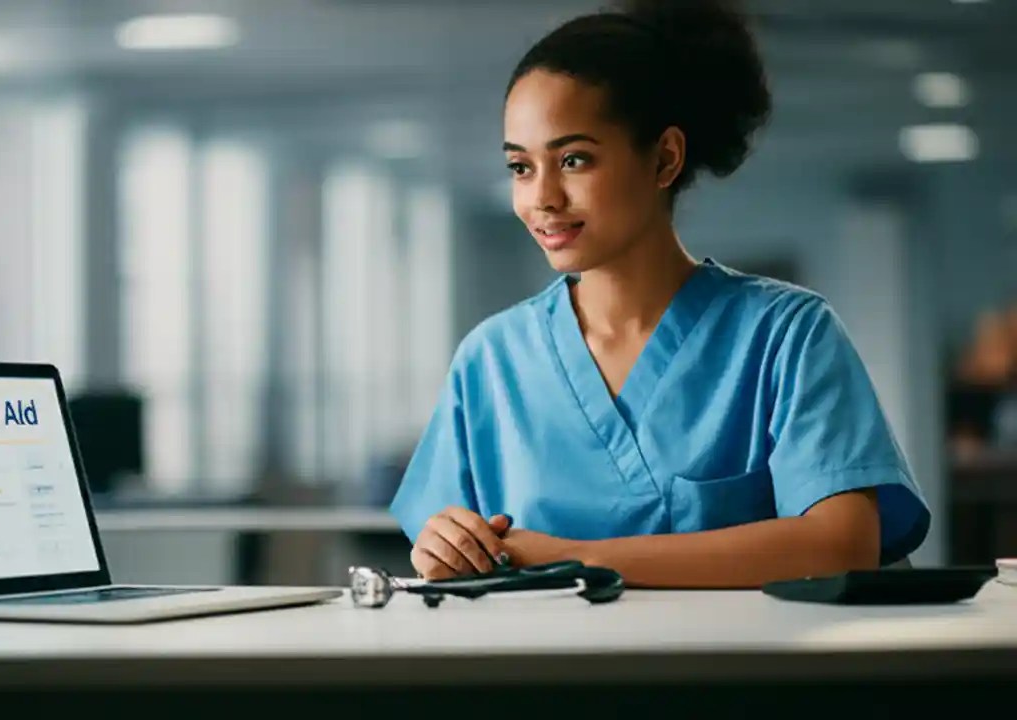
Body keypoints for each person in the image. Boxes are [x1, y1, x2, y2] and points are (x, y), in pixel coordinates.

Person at [389, 0, 930, 587]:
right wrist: (443, 548)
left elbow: (843, 543)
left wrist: (578, 559)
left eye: (574, 160)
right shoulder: (492, 359)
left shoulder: (786, 335)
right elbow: (446, 546)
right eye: (521, 168)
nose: (542, 198)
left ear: (665, 159)